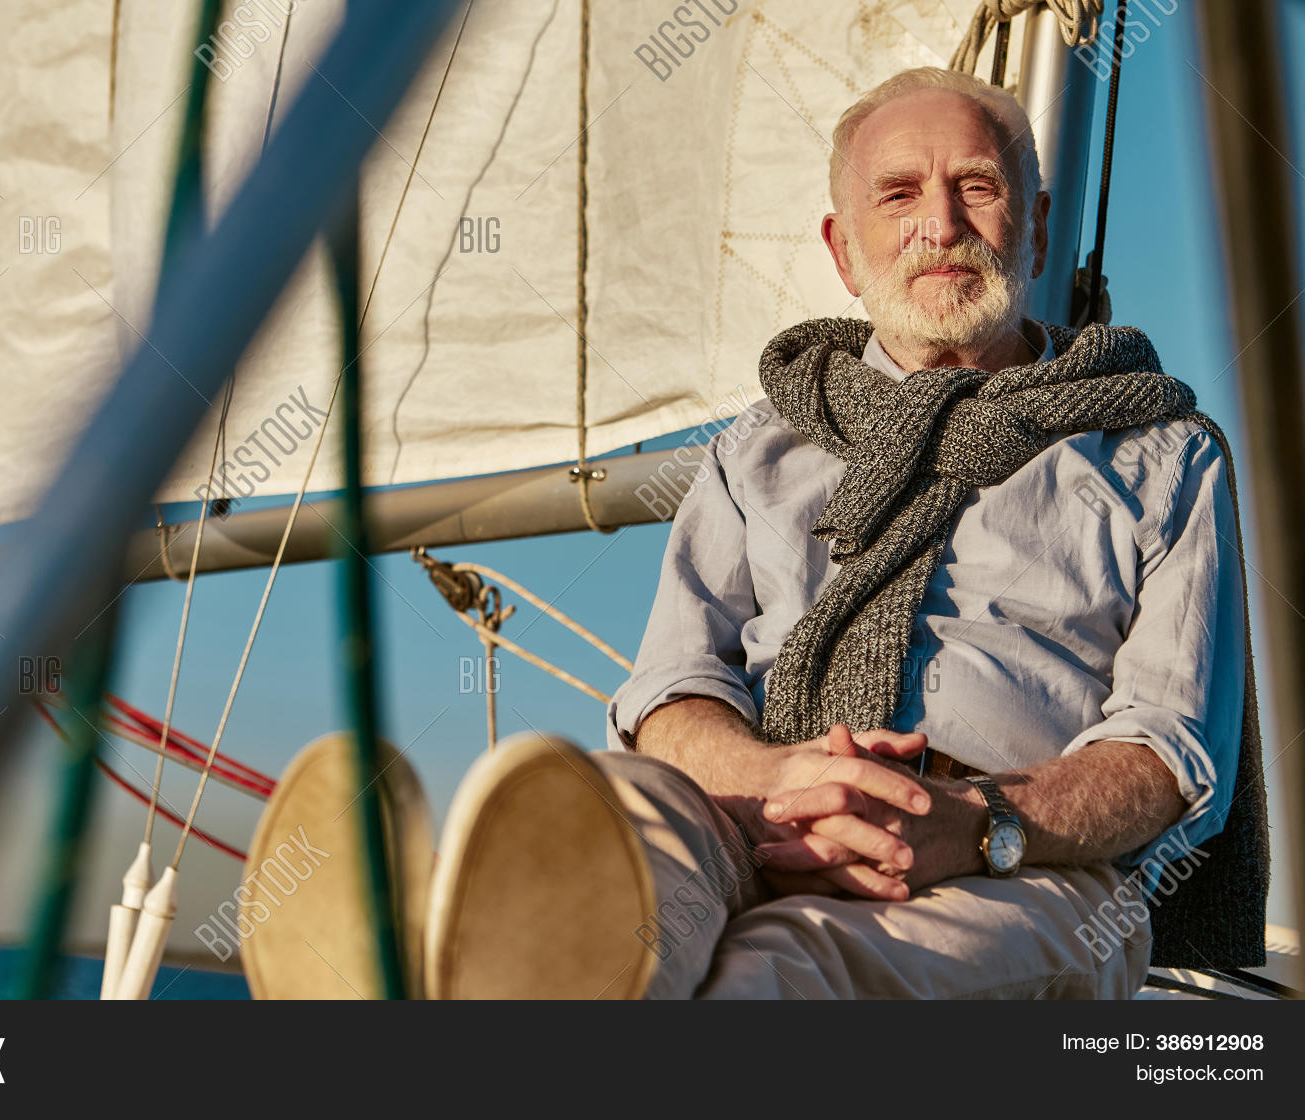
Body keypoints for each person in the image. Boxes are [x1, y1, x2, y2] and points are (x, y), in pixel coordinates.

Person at [246, 66, 1264, 1000]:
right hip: (755, 805)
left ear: (1036, 227)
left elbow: (1171, 754)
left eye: (979, 189)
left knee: (780, 974)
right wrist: (784, 783)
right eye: (899, 194)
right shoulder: (762, 444)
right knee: (611, 835)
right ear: (842, 244)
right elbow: (674, 689)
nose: (939, 224)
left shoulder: (1160, 450)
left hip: (1022, 867)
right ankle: (429, 961)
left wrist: (974, 823)